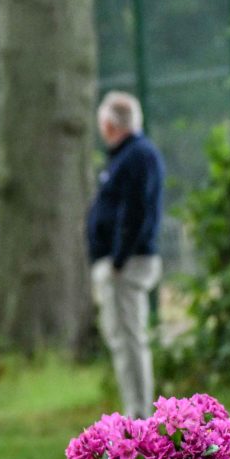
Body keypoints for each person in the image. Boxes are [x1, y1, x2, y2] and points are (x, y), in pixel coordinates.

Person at [85, 91, 164, 419]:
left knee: (129, 341)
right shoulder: (127, 156)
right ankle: (135, 411)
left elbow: (135, 212)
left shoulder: (137, 156)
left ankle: (139, 415)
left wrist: (118, 258)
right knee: (122, 339)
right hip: (123, 261)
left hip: (128, 265)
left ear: (109, 124)